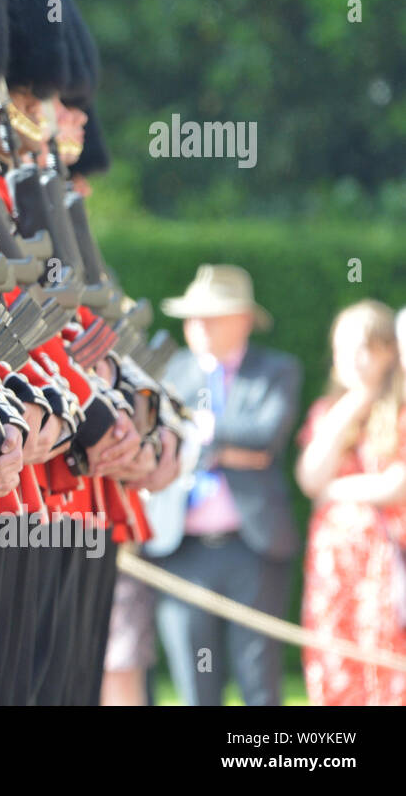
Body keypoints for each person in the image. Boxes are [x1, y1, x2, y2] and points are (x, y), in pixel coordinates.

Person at [142, 264, 302, 705]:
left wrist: (196, 432)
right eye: (193, 315)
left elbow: (265, 437)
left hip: (252, 546)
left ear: (245, 319)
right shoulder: (169, 372)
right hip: (182, 549)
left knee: (259, 681)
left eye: (212, 314)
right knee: (195, 684)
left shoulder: (276, 370)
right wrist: (227, 444)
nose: (199, 325)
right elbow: (154, 441)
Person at [296, 300, 406, 705]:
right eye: (344, 349)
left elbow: (397, 485)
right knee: (336, 662)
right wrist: (356, 399)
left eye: (366, 348)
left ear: (389, 351)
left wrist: (335, 491)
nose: (354, 360)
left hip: (385, 566)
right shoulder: (328, 412)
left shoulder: (400, 412)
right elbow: (310, 476)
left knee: (385, 661)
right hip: (335, 567)